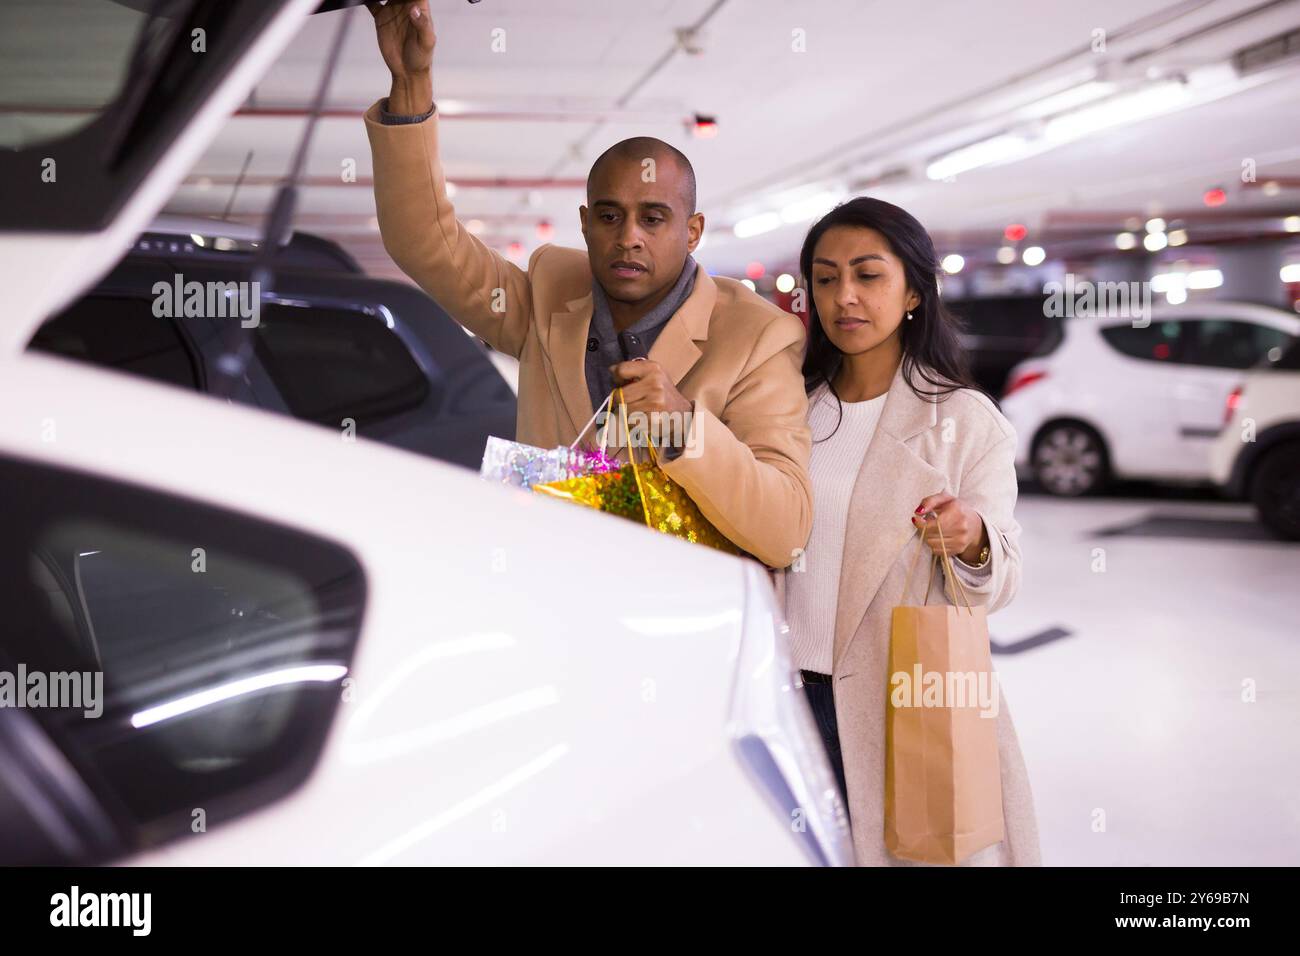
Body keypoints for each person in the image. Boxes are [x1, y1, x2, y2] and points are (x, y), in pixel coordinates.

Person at [362, 1, 811, 568]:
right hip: (546, 601)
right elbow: (424, 241)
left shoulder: (756, 338)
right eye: (608, 216)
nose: (628, 237)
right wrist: (410, 87)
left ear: (692, 231)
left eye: (653, 218)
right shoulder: (547, 297)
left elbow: (787, 531)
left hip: (673, 628)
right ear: (584, 223)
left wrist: (683, 427)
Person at [775, 197, 1041, 865]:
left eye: (869, 275)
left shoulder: (963, 420)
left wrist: (971, 534)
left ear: (914, 290)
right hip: (783, 698)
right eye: (827, 278)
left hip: (902, 699)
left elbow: (1001, 572)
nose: (845, 298)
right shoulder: (786, 408)